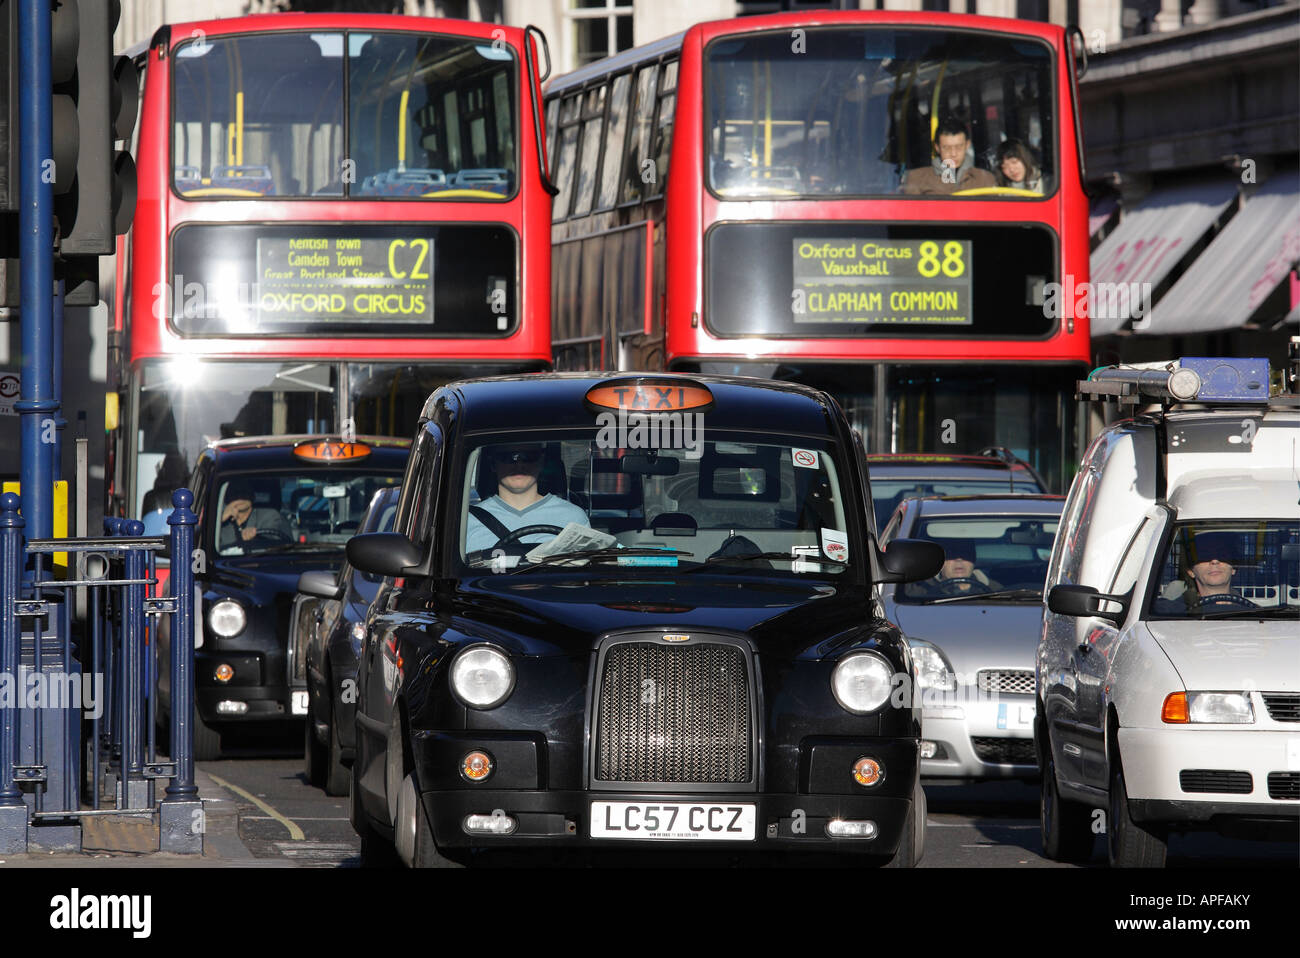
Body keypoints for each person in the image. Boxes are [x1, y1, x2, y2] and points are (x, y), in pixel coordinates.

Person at [464, 443, 588, 555]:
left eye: (529, 456)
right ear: (493, 464)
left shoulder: (573, 517)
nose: (519, 464)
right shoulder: (467, 521)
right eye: (509, 457)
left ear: (541, 462)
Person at [902, 119, 997, 195]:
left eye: (959, 147)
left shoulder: (985, 179)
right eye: (946, 148)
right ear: (937, 148)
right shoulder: (917, 179)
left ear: (967, 145)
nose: (953, 154)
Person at [219, 480, 293, 552]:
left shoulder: (269, 515)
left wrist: (255, 538)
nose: (240, 497)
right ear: (226, 500)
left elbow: (273, 540)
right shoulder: (221, 523)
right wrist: (221, 519)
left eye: (244, 493)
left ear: (253, 496)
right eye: (234, 494)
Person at [1183, 531, 1246, 610]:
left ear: (1233, 569)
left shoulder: (1255, 614)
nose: (1215, 561)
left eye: (1222, 555)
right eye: (1204, 556)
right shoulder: (1173, 613)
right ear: (1191, 571)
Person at [922, 539, 1001, 595]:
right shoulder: (921, 589)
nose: (959, 559)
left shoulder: (994, 590)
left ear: (973, 561)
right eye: (951, 554)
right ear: (940, 561)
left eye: (966, 554)